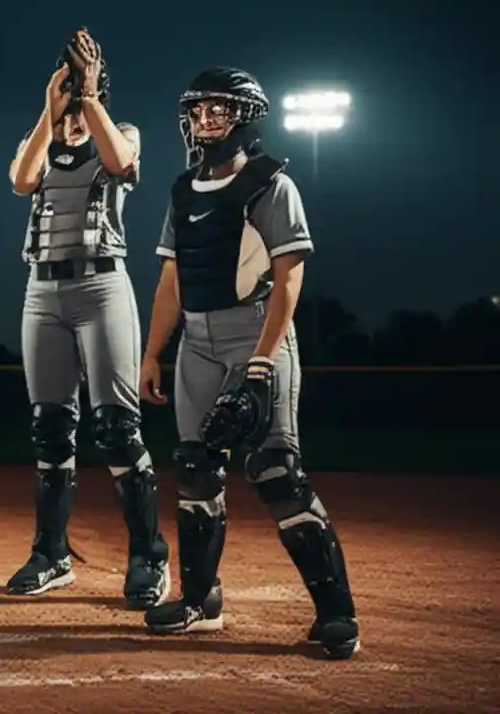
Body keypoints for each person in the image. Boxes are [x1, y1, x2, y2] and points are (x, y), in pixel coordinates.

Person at [138, 67, 360, 659]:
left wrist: (263, 361)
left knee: (275, 471)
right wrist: (152, 353)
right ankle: (199, 599)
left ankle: (336, 612)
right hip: (197, 341)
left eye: (219, 110)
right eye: (197, 110)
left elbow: (290, 278)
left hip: (255, 333)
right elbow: (170, 280)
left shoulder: (271, 185)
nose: (204, 121)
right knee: (194, 467)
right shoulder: (183, 190)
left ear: (246, 118)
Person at [4, 28, 170, 609]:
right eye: (70, 85)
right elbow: (22, 180)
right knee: (50, 426)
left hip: (101, 285)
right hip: (42, 291)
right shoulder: (41, 139)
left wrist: (91, 98)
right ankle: (50, 554)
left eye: (81, 85)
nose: (74, 95)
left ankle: (149, 557)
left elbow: (121, 163)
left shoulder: (121, 131)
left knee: (117, 428)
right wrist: (47, 113)